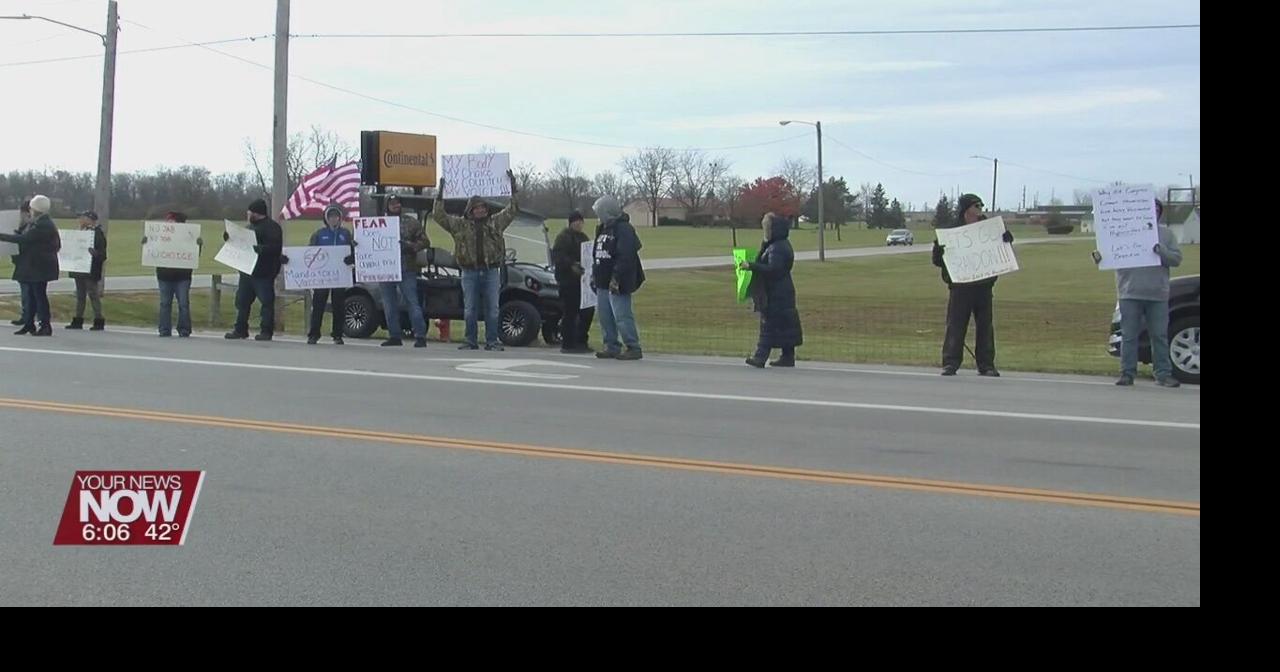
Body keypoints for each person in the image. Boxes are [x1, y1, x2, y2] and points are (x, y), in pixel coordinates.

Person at [1093, 199, 1184, 387]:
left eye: (1158, 209)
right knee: (1128, 336)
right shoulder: (1122, 232)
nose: (1154, 211)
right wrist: (1099, 257)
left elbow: (1176, 259)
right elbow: (1107, 256)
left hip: (1157, 294)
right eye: (1151, 208)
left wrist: (1162, 250)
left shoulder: (1166, 234)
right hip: (1129, 292)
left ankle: (1163, 374)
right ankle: (1127, 374)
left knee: (1159, 336)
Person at [431, 170, 520, 351]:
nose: (480, 210)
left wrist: (513, 186)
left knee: (493, 309)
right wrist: (440, 193)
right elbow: (439, 216)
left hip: (491, 271)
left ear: (486, 209)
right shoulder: (460, 225)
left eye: (483, 207)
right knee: (470, 309)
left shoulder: (496, 222)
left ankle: (492, 342)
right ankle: (470, 341)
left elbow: (513, 209)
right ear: (470, 210)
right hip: (469, 271)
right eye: (476, 208)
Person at [932, 193, 1013, 376]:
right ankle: (950, 362)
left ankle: (986, 365)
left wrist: (1006, 239)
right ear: (966, 208)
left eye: (981, 206)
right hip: (960, 287)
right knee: (956, 325)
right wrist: (939, 250)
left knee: (985, 326)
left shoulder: (989, 229)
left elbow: (1001, 251)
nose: (979, 210)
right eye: (976, 206)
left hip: (983, 286)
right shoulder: (952, 230)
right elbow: (937, 261)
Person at [740, 213, 803, 368]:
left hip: (776, 293)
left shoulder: (778, 247)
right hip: (782, 292)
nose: (765, 231)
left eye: (766, 228)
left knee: (768, 324)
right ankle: (788, 357)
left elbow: (774, 269)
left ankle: (760, 357)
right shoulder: (776, 245)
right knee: (785, 323)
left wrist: (751, 266)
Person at [590, 195, 644, 361]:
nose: (599, 217)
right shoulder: (602, 228)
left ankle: (633, 346)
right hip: (602, 280)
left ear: (608, 212)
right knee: (605, 316)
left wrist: (616, 277)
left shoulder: (624, 229)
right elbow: (596, 252)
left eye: (600, 213)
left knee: (621, 315)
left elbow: (625, 255)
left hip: (617, 280)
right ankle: (611, 345)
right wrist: (594, 273)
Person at [225, 198, 284, 341]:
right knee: (242, 302)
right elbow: (241, 244)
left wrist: (260, 249)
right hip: (247, 271)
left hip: (263, 272)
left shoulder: (272, 227)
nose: (247, 215)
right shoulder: (249, 227)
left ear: (256, 213)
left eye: (249, 212)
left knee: (266, 302)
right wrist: (229, 238)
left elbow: (276, 248)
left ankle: (266, 331)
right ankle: (240, 329)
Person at [0, 194, 59, 336]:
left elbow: (26, 239)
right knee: (32, 296)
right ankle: (29, 324)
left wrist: (3, 236)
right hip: (33, 266)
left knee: (39, 297)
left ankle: (45, 325)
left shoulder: (43, 224)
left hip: (38, 267)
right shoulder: (36, 222)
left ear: (35, 209)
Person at [551, 210, 594, 353]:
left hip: (583, 281)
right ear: (571, 223)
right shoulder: (563, 237)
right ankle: (568, 343)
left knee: (587, 311)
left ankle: (581, 340)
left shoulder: (583, 237)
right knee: (570, 312)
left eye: (581, 221)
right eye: (576, 221)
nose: (579, 224)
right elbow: (558, 256)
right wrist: (571, 265)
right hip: (568, 281)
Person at [66, 210, 107, 331]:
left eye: (83, 218)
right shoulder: (79, 233)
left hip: (90, 270)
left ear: (90, 219)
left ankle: (99, 320)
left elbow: (102, 255)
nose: (80, 220)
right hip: (79, 269)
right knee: (80, 295)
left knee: (93, 295)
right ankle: (77, 319)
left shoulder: (97, 234)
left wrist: (94, 253)